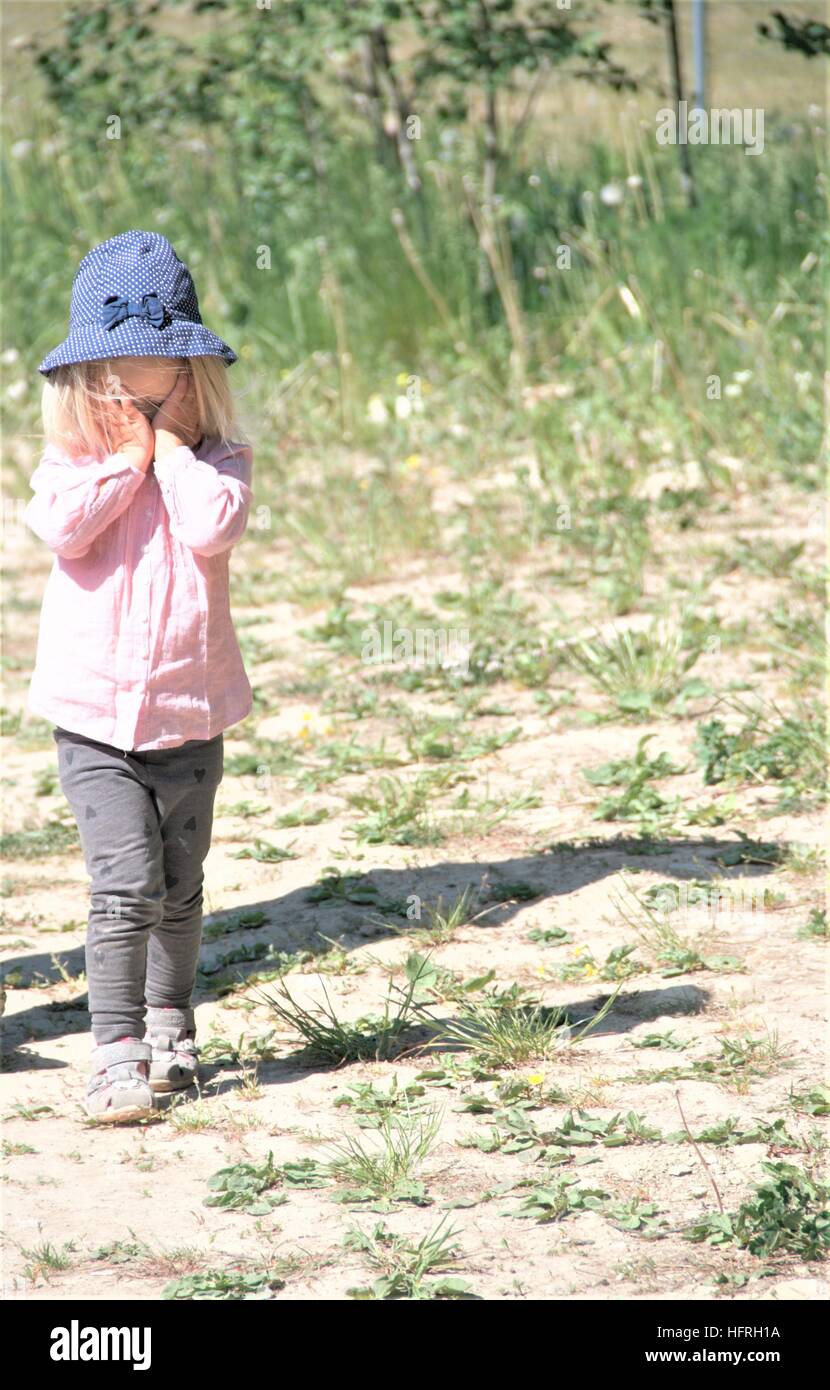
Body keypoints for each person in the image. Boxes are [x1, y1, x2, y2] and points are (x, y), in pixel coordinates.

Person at [24, 229, 253, 1122]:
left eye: (154, 371)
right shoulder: (75, 466)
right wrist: (125, 460)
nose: (131, 389)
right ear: (89, 386)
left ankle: (171, 1025)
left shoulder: (218, 463)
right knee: (124, 889)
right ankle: (116, 1053)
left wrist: (173, 455)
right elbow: (62, 528)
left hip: (191, 714)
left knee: (180, 887)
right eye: (114, 376)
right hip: (95, 721)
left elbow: (213, 529)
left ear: (191, 380)